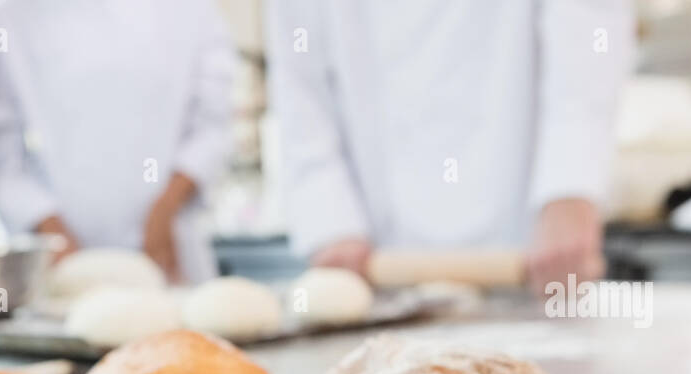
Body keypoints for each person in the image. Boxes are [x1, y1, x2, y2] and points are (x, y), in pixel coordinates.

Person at [266, 0, 635, 290]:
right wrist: (330, 218)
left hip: (528, 247)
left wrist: (569, 185)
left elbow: (587, 22)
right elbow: (299, 83)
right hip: (376, 260)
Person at [0, 0, 235, 282]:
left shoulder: (190, 10)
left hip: (171, 250)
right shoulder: (12, 15)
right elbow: (1, 154)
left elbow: (213, 126)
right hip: (57, 262)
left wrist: (168, 204)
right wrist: (50, 229)